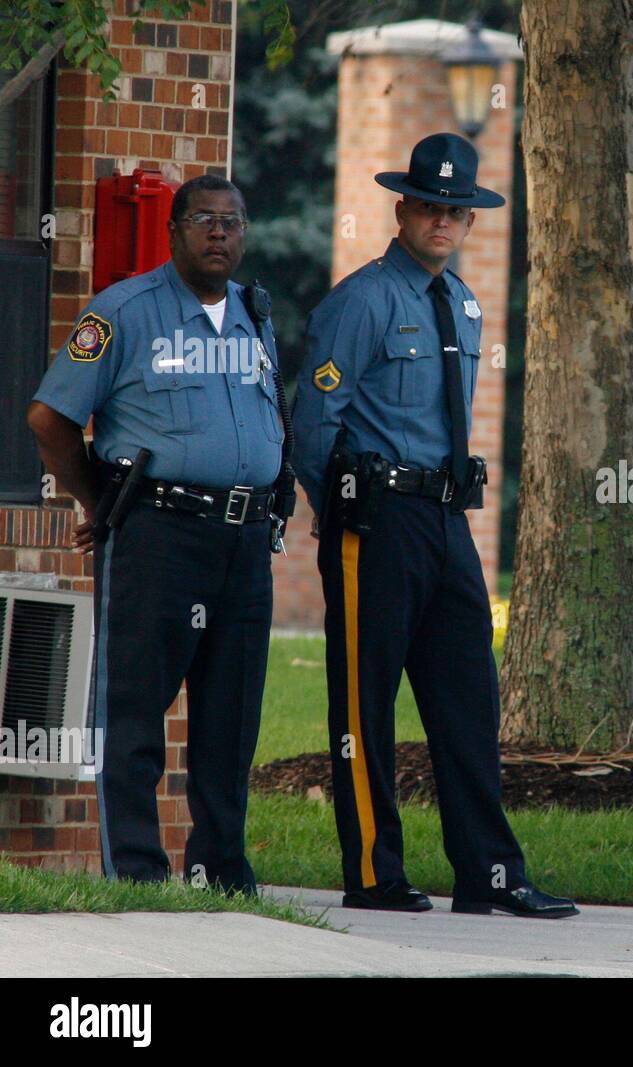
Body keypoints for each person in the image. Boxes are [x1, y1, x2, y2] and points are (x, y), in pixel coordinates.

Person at [292, 132, 577, 917]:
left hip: (448, 521)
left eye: (456, 210)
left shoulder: (465, 303)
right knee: (365, 702)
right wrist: (341, 508)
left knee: (468, 701)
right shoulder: (361, 301)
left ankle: (489, 874)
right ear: (403, 208)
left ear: (468, 219)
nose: (442, 221)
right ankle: (376, 873)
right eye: (429, 206)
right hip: (376, 520)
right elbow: (314, 424)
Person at [26, 174, 288, 894]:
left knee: (231, 716)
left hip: (242, 540)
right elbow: (49, 418)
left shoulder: (255, 315)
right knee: (136, 709)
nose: (218, 234)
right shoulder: (123, 313)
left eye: (232, 222)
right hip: (156, 535)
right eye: (202, 220)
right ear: (172, 231)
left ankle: (221, 871)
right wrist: (96, 498)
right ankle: (135, 874)